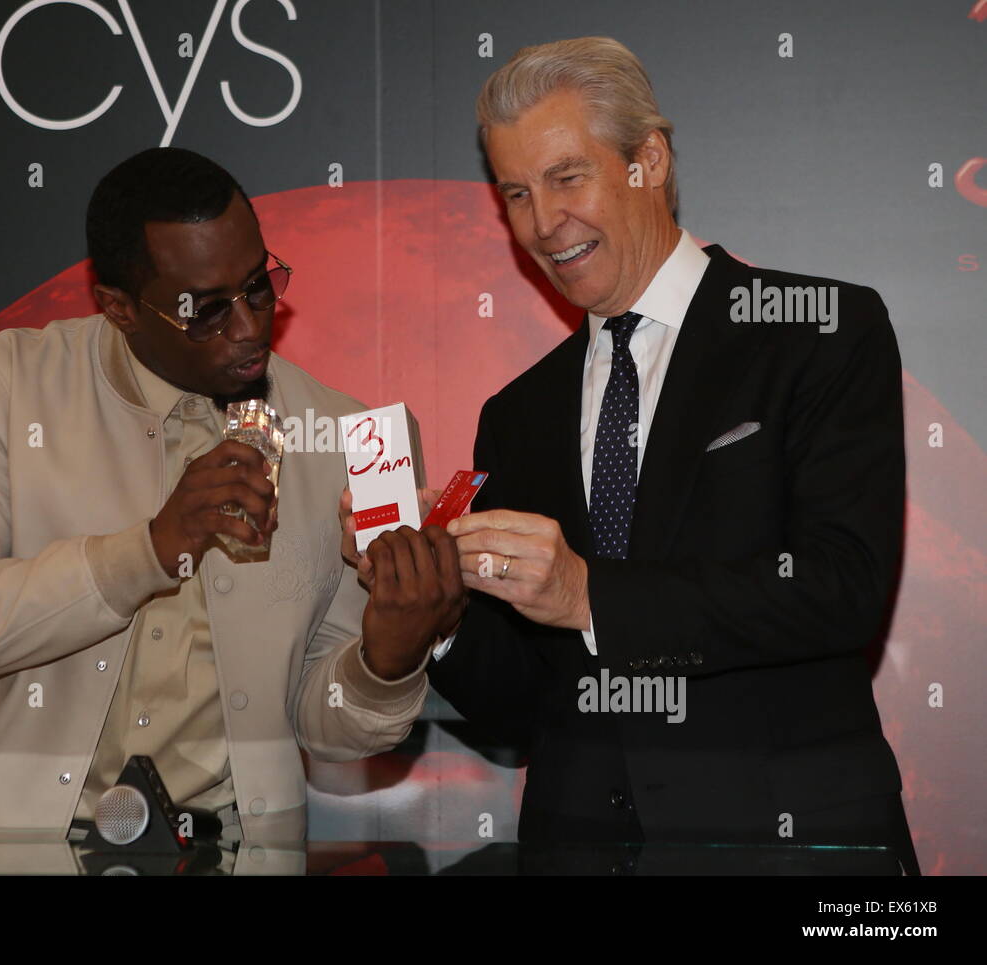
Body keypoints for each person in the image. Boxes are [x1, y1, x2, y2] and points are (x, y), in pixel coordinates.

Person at [351, 37, 918, 873]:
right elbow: (521, 705)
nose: (543, 223)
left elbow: (842, 587)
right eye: (516, 192)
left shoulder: (818, 331)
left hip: (786, 844)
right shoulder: (517, 413)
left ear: (648, 161)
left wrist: (588, 594)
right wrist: (433, 608)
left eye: (566, 177)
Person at [0, 147, 463, 846]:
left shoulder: (353, 437)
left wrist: (386, 660)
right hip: (11, 849)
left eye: (259, 286)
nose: (249, 327)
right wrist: (146, 552)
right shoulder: (7, 387)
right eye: (206, 311)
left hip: (234, 852)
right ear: (119, 307)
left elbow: (329, 727)